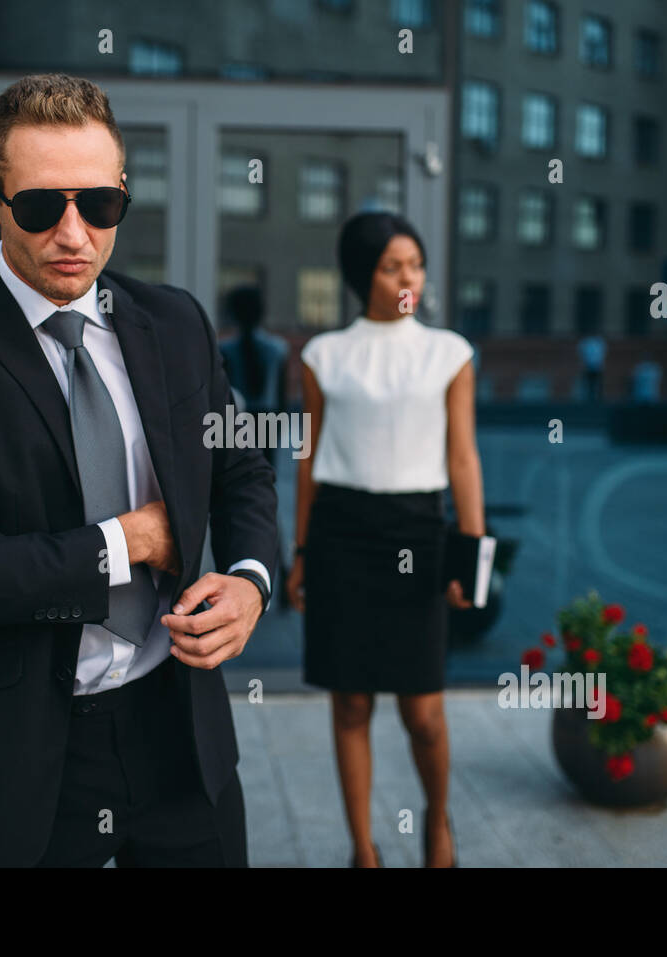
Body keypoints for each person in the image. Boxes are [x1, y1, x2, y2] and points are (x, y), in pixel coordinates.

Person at [0, 73, 278, 867]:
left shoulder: (177, 322)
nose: (74, 234)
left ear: (123, 193)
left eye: (100, 205)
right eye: (43, 206)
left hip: (179, 730)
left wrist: (251, 577)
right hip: (19, 753)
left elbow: (243, 464)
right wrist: (130, 539)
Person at [286, 211, 487, 868]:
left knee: (423, 711)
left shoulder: (449, 352)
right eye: (392, 265)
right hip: (342, 535)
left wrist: (471, 556)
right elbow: (308, 461)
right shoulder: (323, 355)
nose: (410, 277)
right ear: (362, 275)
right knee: (350, 703)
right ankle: (364, 850)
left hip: (418, 533)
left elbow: (463, 458)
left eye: (416, 263)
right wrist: (301, 551)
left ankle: (436, 822)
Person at [218, 284, 289, 472]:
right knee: (264, 473)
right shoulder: (278, 348)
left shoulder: (224, 350)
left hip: (239, 418)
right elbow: (282, 394)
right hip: (268, 417)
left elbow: (223, 394)